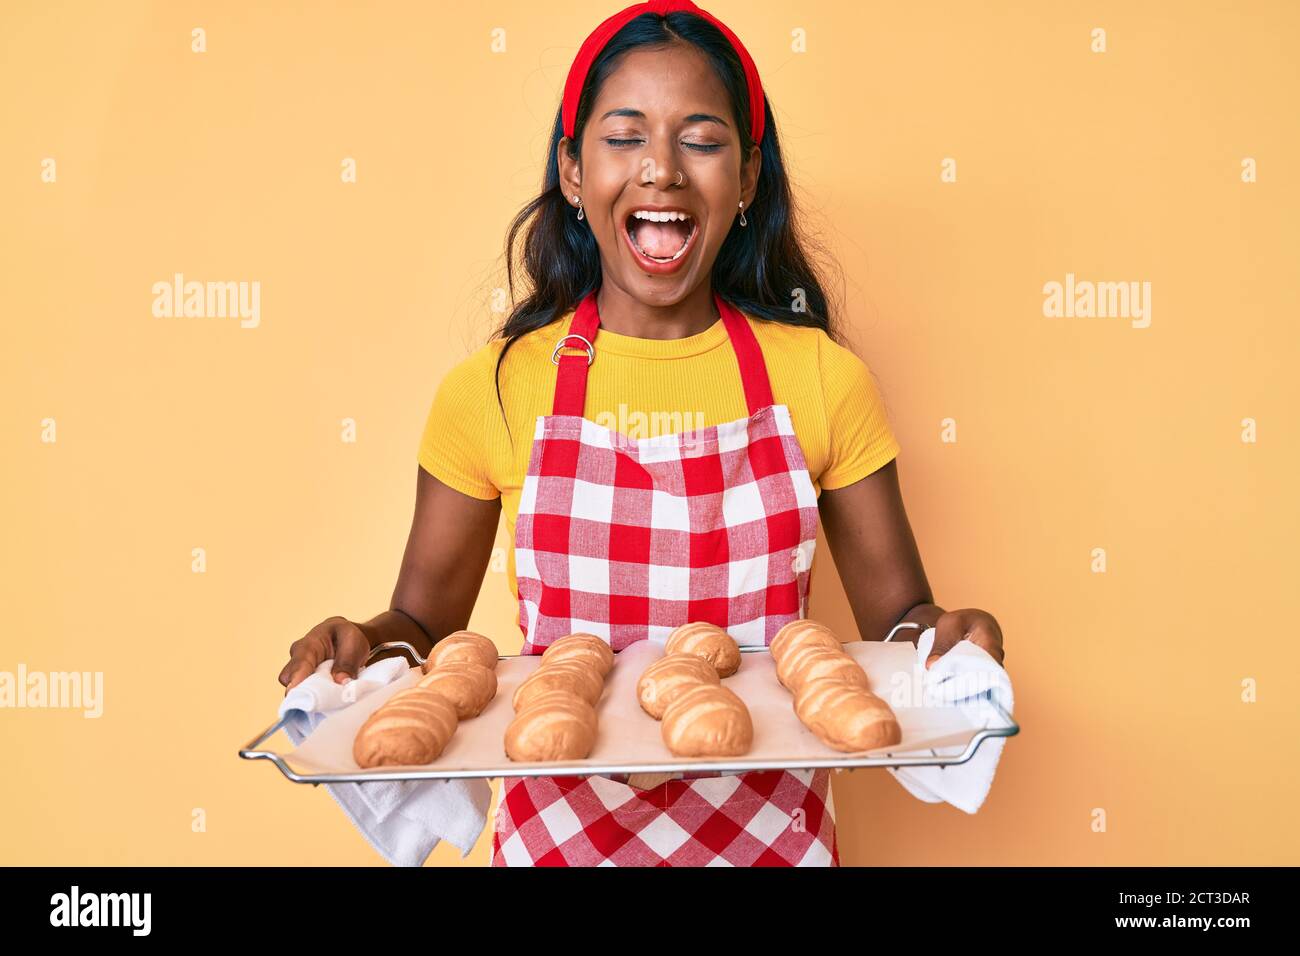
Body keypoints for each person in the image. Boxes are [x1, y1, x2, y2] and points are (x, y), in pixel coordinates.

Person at [279, 0, 1005, 867]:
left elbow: (898, 626)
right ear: (574, 173)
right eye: (624, 136)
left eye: (701, 139)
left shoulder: (819, 377)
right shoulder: (497, 390)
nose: (660, 169)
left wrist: (950, 640)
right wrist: (364, 645)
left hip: (774, 842)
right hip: (558, 841)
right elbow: (420, 624)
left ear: (746, 179)